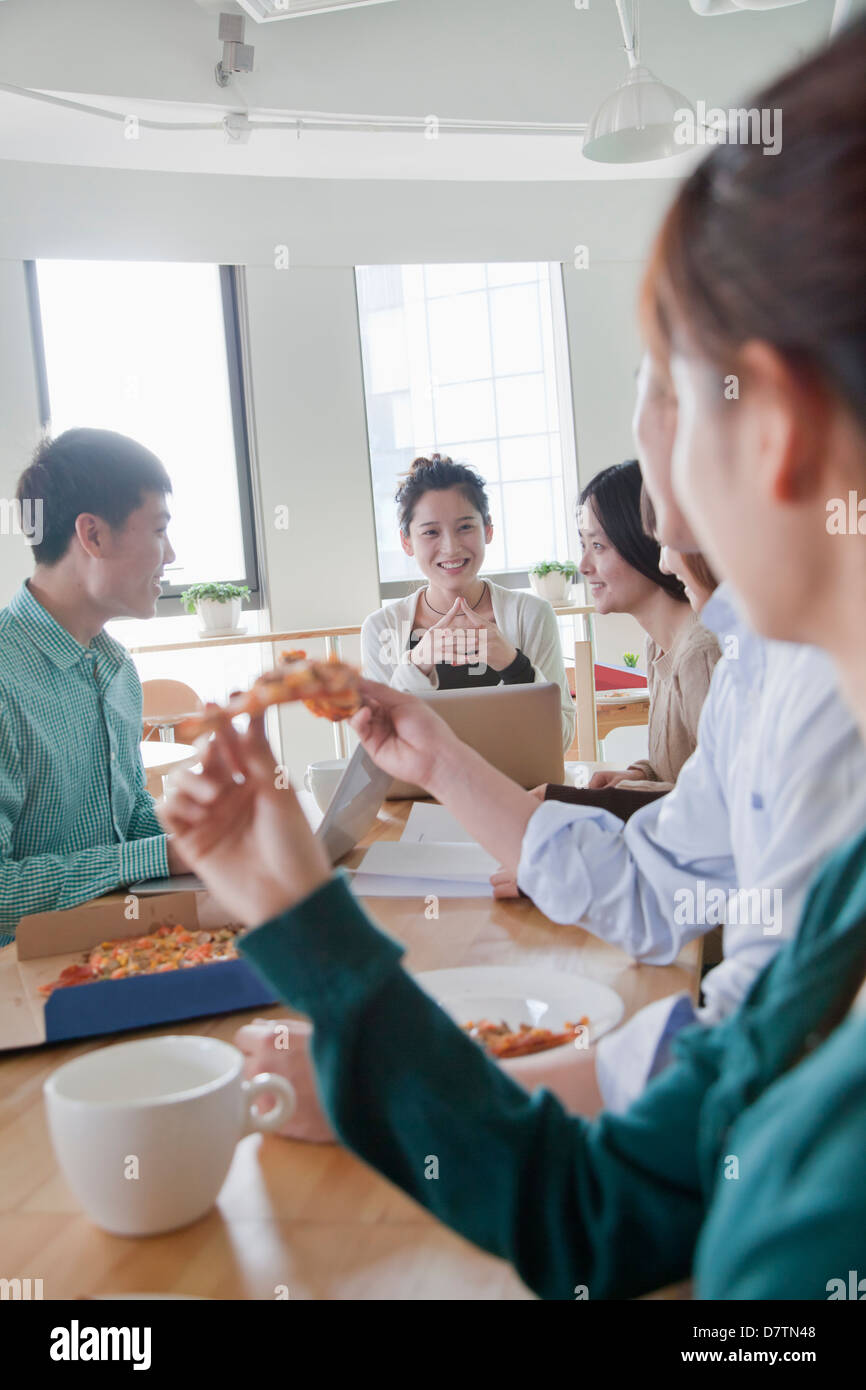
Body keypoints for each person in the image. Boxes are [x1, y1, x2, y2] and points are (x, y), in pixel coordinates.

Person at [163, 18, 866, 1298]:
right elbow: (607, 1203)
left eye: (663, 382)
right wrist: (315, 909)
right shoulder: (822, 854)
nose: (644, 456)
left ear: (773, 428)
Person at [0, 428, 188, 947]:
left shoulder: (117, 669)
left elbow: (128, 823)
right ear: (93, 535)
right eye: (158, 530)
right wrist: (164, 856)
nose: (170, 555)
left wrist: (206, 843)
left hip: (118, 952)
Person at [361, 454, 575, 750]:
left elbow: (560, 740)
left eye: (465, 527)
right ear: (406, 542)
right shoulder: (381, 628)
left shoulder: (531, 615)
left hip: (517, 791)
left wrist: (514, 666)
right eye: (431, 532)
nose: (450, 547)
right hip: (423, 794)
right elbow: (383, 745)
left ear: (488, 529)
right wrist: (417, 664)